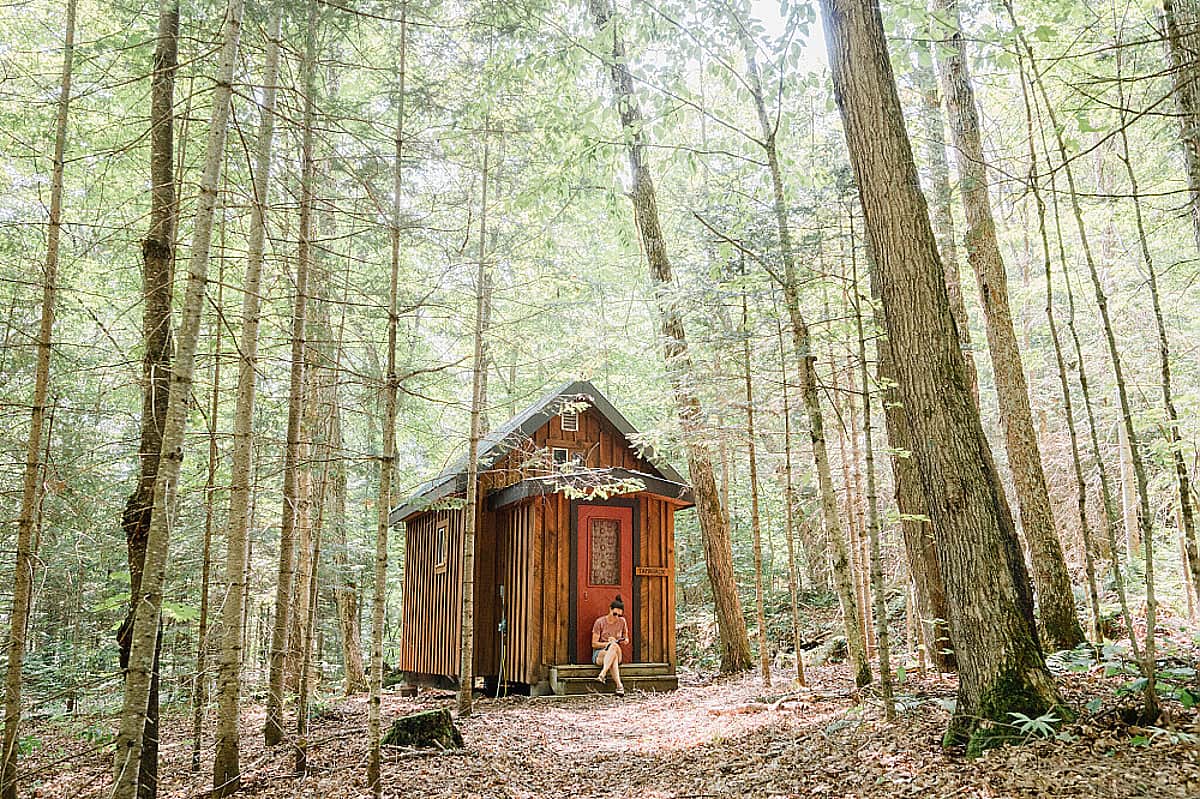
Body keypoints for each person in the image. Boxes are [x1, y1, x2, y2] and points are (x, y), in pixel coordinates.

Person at [591, 595, 628, 695]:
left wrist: (623, 640)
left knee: (614, 647)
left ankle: (603, 674)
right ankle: (619, 686)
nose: (617, 617)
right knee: (613, 656)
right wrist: (608, 643)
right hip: (601, 653)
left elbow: (626, 638)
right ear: (610, 610)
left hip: (616, 648)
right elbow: (594, 644)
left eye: (619, 615)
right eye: (615, 614)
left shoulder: (622, 622)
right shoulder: (600, 622)